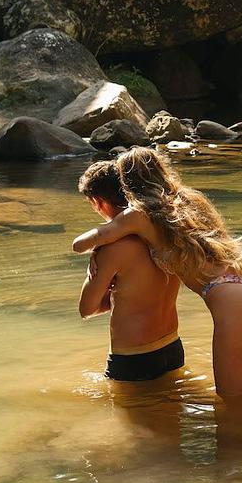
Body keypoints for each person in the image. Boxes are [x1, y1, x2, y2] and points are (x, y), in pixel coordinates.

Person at [72, 147, 242, 405]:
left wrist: (96, 250)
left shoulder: (138, 216)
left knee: (235, 408)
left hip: (235, 302)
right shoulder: (190, 202)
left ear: (128, 184)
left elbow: (81, 244)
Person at [76, 160, 184, 382]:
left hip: (134, 358)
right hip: (173, 346)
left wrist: (101, 280)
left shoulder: (112, 250)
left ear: (99, 202)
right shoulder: (168, 233)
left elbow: (87, 309)